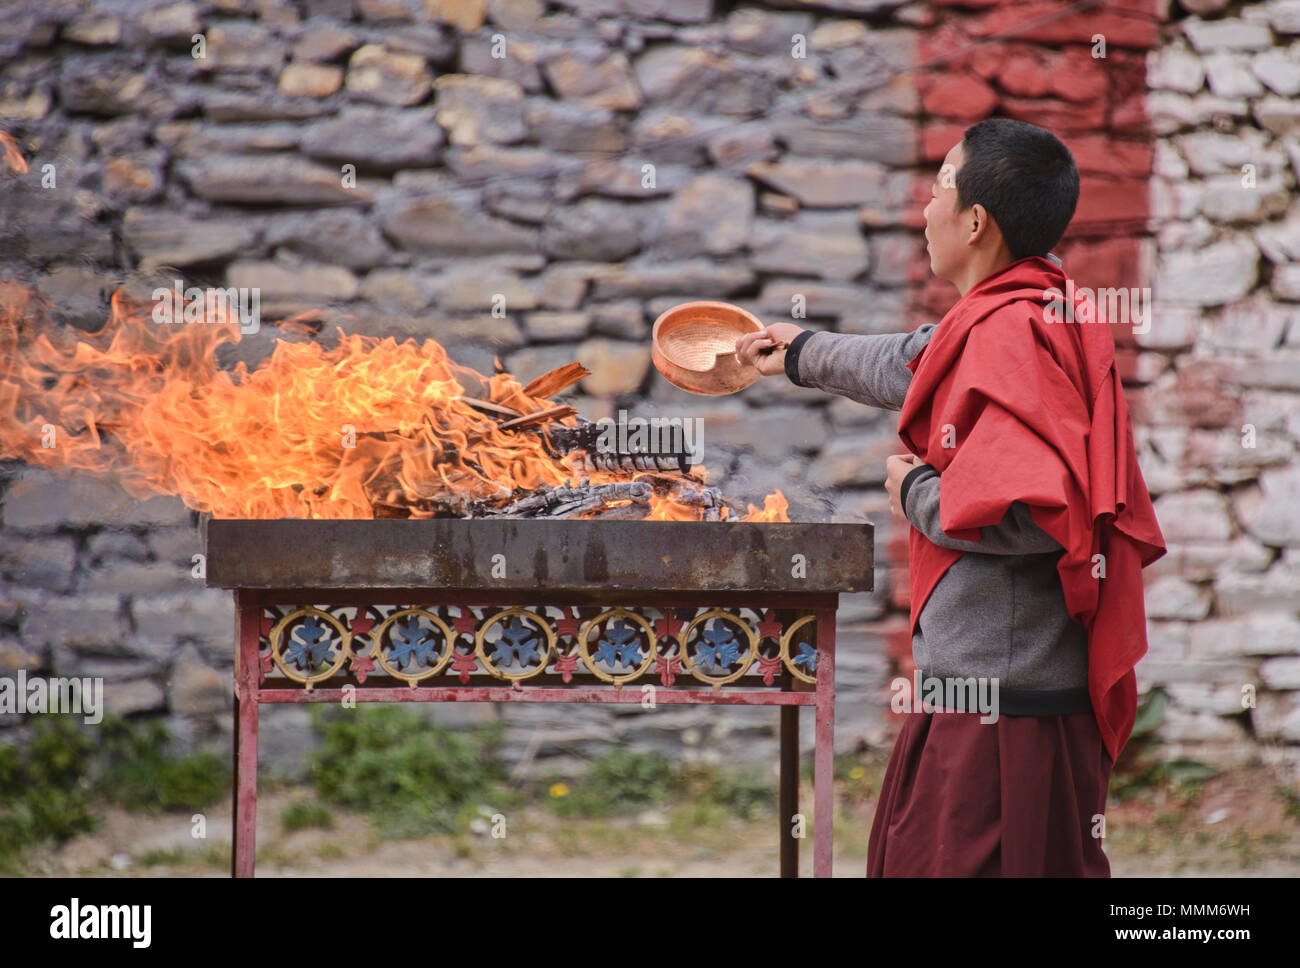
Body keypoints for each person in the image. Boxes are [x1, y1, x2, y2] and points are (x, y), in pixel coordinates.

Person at [735, 118, 1167, 877]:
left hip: (1003, 706)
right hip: (997, 687)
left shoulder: (1011, 334)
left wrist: (919, 493)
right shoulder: (1018, 310)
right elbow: (914, 362)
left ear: (975, 220)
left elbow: (1038, 515)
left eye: (938, 185)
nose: (924, 205)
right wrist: (797, 353)